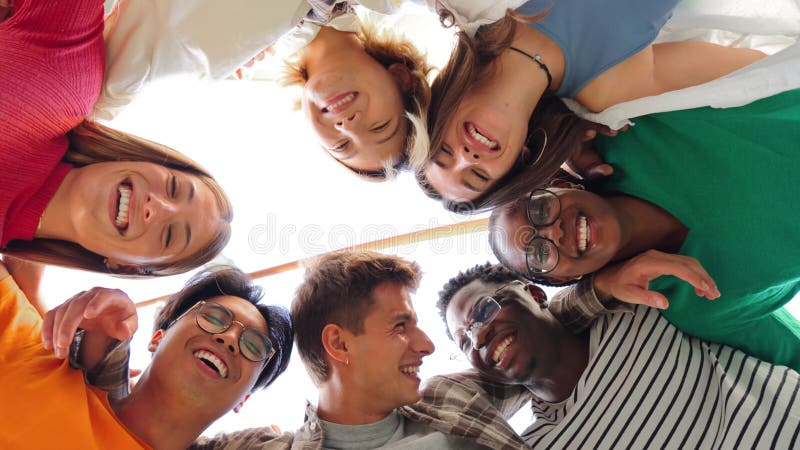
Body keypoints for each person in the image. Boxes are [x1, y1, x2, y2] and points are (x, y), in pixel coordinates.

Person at [486, 87, 800, 369]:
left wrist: (566, 112)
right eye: (539, 253)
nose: (553, 232)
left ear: (556, 184)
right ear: (563, 278)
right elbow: (791, 352)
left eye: (540, 209)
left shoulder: (623, 127)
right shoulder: (693, 306)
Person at [420, 0, 770, 208]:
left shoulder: (472, 6)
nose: (468, 156)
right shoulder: (612, 90)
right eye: (477, 175)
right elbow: (761, 67)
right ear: (520, 160)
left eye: (444, 152)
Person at [434, 263, 800, 448]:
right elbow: (437, 403)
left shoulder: (632, 305)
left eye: (482, 311)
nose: (478, 336)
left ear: (535, 293)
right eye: (464, 342)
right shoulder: (538, 444)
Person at [1, 0, 233, 276]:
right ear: (147, 161)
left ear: (126, 265)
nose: (156, 207)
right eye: (173, 187)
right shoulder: (68, 75)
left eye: (169, 235)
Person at [0, 265, 293, 449]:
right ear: (158, 338)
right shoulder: (33, 355)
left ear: (243, 399)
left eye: (253, 347)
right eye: (214, 318)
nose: (229, 339)